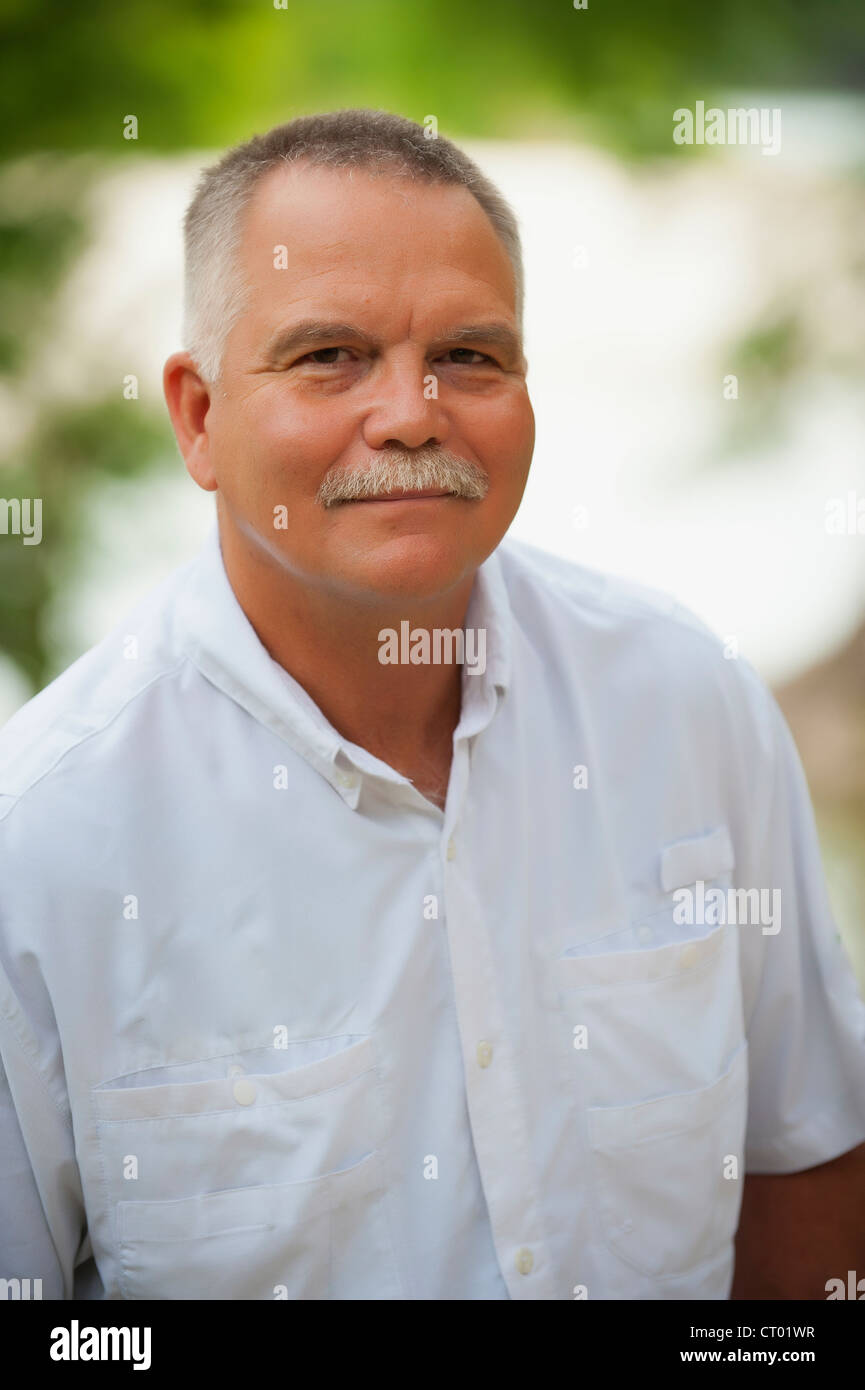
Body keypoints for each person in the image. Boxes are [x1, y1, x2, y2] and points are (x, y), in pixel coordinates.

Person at [1, 109, 863, 1301]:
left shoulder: (687, 704)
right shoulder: (41, 839)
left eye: (469, 355)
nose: (411, 413)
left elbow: (802, 1157)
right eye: (328, 357)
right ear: (199, 417)